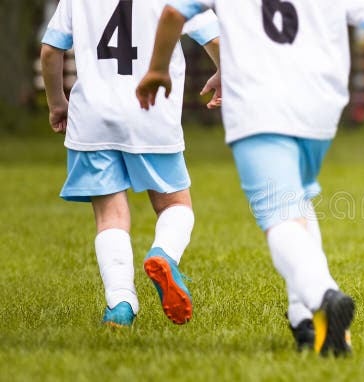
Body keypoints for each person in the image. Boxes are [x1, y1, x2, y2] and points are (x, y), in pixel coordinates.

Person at [136, 0, 364, 356]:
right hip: (320, 108)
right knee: (297, 199)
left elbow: (172, 13)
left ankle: (323, 295)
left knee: (279, 217)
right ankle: (305, 322)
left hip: (259, 107)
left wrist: (157, 70)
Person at [40, 0, 222, 327]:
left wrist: (57, 103)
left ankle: (120, 301)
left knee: (110, 215)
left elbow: (51, 51)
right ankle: (163, 254)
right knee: (175, 204)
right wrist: (225, 74)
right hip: (151, 111)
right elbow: (215, 39)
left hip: (93, 117)